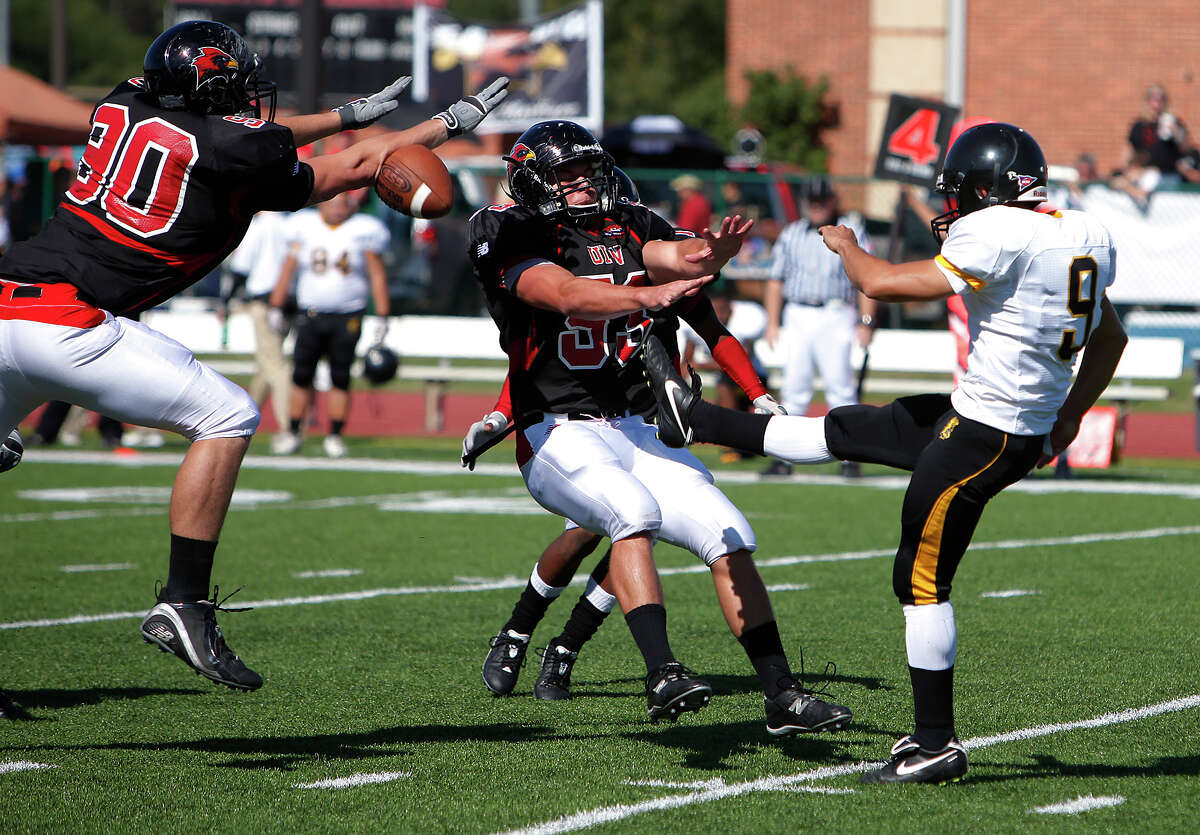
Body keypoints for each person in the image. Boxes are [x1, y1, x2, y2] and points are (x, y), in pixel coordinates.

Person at [0, 18, 508, 708]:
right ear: (214, 91)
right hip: (68, 322)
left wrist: (343, 116)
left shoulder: (122, 102)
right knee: (229, 412)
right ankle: (183, 602)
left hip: (8, 301)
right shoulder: (231, 155)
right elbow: (352, 165)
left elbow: (254, 136)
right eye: (236, 83)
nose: (250, 96)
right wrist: (441, 125)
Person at [642, 123, 1127, 782]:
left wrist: (846, 246)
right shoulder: (1082, 232)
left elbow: (887, 284)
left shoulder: (998, 233)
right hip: (999, 417)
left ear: (985, 189)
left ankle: (936, 744)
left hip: (987, 432)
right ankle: (694, 417)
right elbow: (1111, 339)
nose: (952, 205)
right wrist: (1068, 416)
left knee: (920, 579)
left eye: (960, 192)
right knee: (849, 427)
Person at [467, 119, 851, 732]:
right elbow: (565, 293)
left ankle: (783, 694)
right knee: (630, 515)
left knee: (730, 533)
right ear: (533, 181)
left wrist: (714, 254)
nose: (582, 185)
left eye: (587, 172)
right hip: (557, 430)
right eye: (566, 176)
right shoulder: (508, 233)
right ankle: (661, 672)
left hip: (637, 423)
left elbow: (675, 257)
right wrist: (644, 299)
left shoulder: (628, 225)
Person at [762, 178, 877, 477]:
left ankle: (850, 456)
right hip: (799, 312)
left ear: (831, 201)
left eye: (821, 201)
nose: (816, 207)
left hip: (835, 312)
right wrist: (773, 321)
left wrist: (866, 322)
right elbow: (776, 280)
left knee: (840, 387)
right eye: (812, 201)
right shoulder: (791, 234)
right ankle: (784, 456)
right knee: (794, 387)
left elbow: (867, 279)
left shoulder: (852, 232)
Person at [269, 191, 390, 458]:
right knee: (301, 375)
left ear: (351, 206)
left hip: (348, 316)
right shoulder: (303, 226)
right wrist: (276, 305)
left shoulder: (364, 230)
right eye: (332, 202)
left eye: (343, 203)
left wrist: (382, 314)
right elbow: (288, 269)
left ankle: (335, 435)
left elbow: (376, 273)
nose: (337, 208)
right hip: (310, 314)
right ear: (321, 204)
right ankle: (292, 432)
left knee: (341, 376)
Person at [226, 210, 294, 449]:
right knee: (267, 363)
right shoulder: (292, 223)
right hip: (290, 300)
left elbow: (242, 265)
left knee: (276, 365)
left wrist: (228, 299)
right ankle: (243, 418)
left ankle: (289, 428)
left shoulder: (259, 225)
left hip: (264, 299)